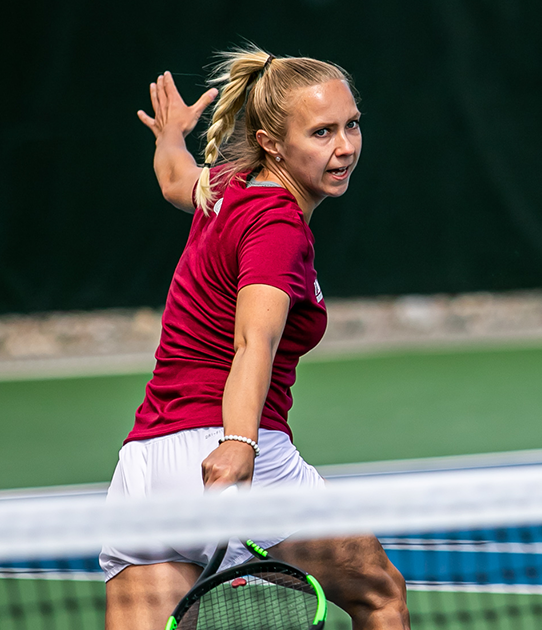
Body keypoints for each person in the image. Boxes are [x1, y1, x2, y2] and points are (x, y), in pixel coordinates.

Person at [99, 46, 410, 629]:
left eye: (352, 125)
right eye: (321, 132)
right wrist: (240, 442)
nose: (344, 147)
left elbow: (175, 181)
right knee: (380, 597)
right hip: (231, 449)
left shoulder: (226, 186)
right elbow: (254, 342)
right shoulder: (278, 227)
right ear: (271, 141)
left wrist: (171, 137)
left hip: (146, 470)